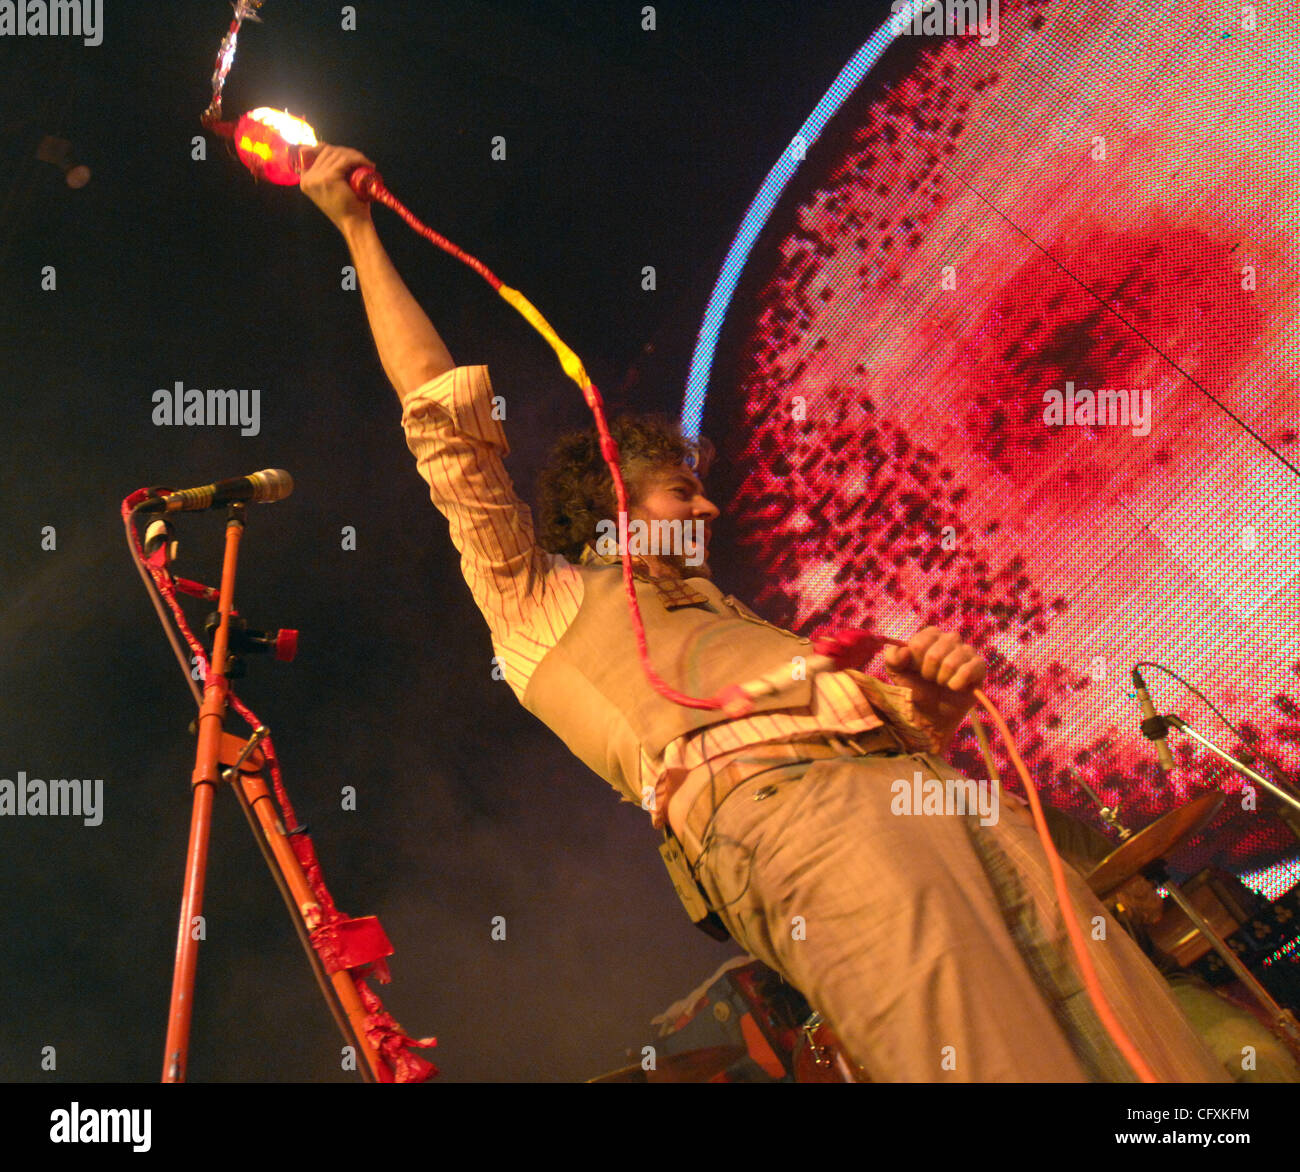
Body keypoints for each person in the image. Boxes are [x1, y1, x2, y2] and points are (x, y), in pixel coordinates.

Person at [300, 143, 1227, 1082]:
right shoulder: (536, 598)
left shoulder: (739, 616)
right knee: (992, 1061)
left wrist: (923, 714)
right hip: (791, 819)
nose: (707, 512)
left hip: (924, 791)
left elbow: (890, 725)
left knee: (1141, 1047)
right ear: (614, 499)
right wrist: (357, 228)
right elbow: (443, 423)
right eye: (679, 495)